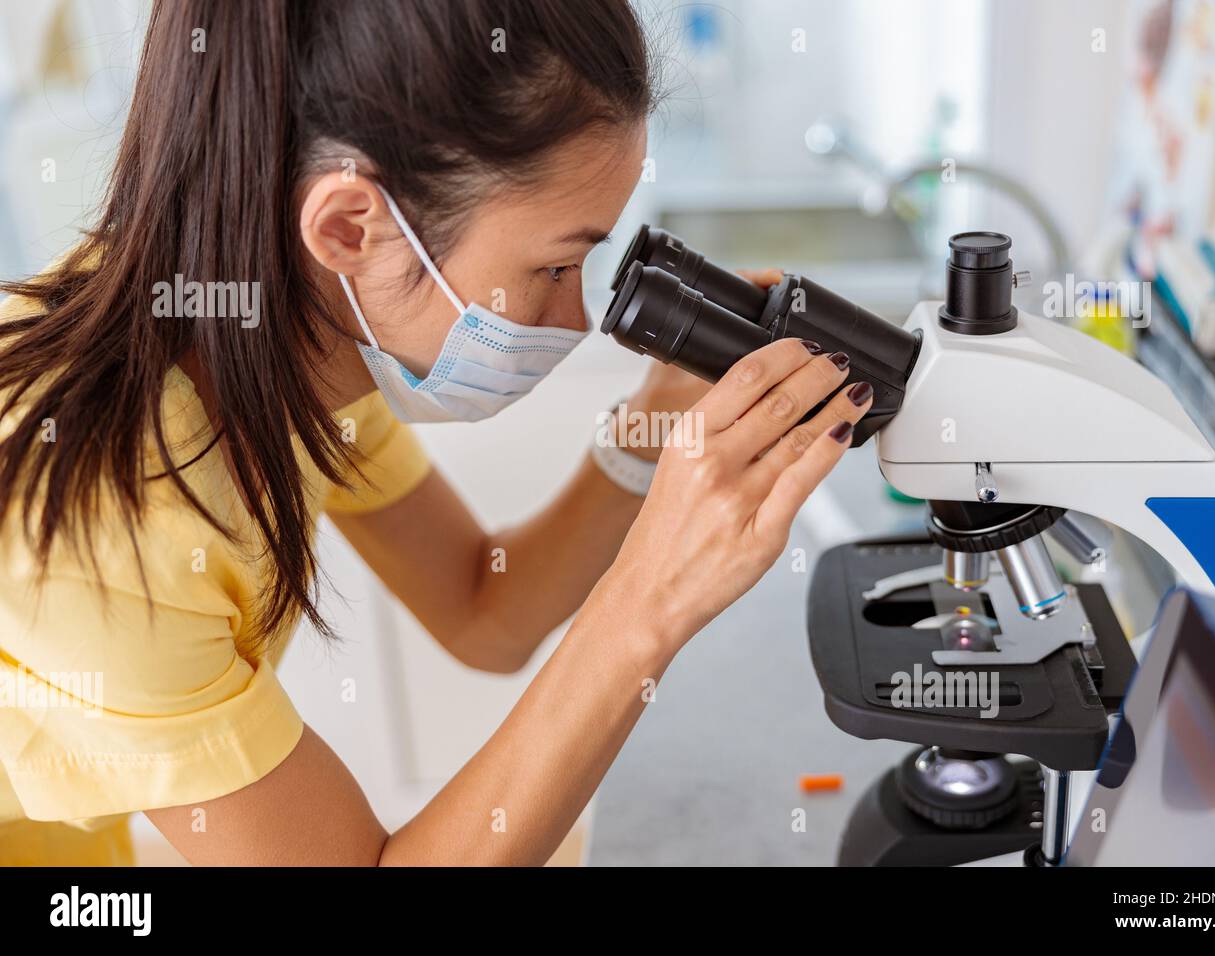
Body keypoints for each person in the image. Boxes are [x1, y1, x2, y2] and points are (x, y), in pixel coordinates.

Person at [0, 0, 873, 865]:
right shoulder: (107, 524)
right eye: (554, 265)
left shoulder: (290, 342)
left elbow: (481, 609)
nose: (575, 324)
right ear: (351, 227)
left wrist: (649, 431)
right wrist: (656, 597)